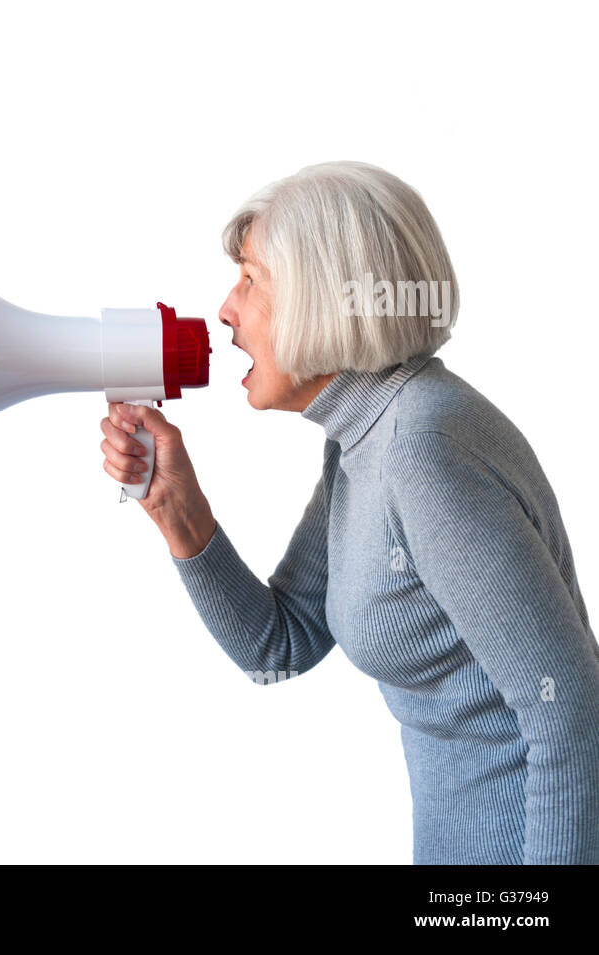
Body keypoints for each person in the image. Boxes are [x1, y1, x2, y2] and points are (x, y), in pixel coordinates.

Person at [101, 161, 599, 864]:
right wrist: (177, 510)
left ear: (319, 298)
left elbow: (568, 710)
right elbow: (282, 642)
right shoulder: (366, 439)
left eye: (250, 279)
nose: (225, 310)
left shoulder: (423, 451)